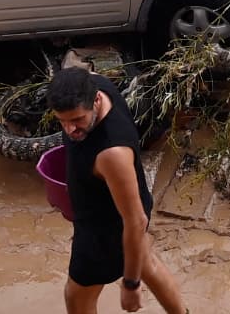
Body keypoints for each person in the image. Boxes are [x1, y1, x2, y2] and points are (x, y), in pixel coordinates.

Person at [49, 67, 187, 314]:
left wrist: (131, 285)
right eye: (62, 121)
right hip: (128, 202)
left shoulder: (112, 154)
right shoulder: (96, 84)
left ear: (96, 100)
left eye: (77, 120)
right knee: (147, 263)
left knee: (77, 297)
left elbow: (135, 222)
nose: (69, 130)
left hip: (106, 232)